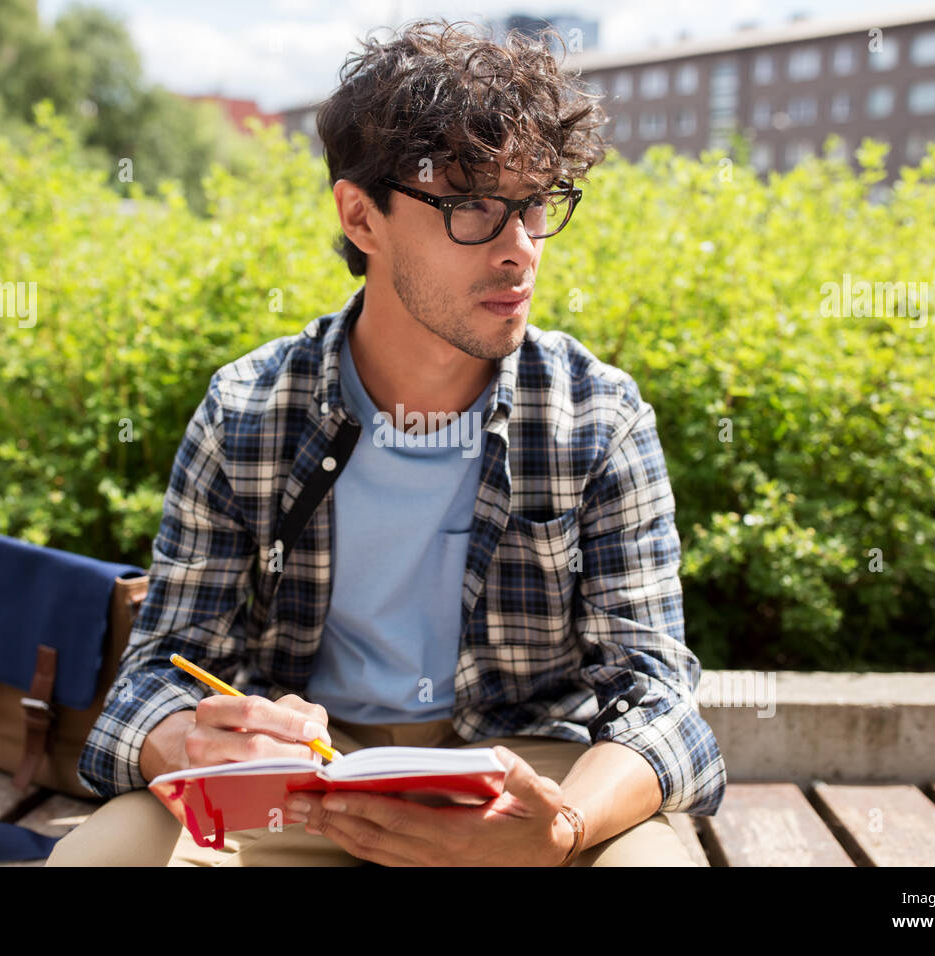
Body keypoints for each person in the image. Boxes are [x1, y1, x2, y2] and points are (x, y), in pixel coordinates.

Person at [48, 17, 725, 868]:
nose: (520, 251)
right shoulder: (249, 409)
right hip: (305, 778)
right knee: (92, 862)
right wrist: (195, 743)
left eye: (535, 206)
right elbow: (154, 679)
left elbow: (659, 701)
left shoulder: (599, 419)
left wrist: (562, 827)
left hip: (524, 776)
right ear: (361, 217)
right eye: (473, 206)